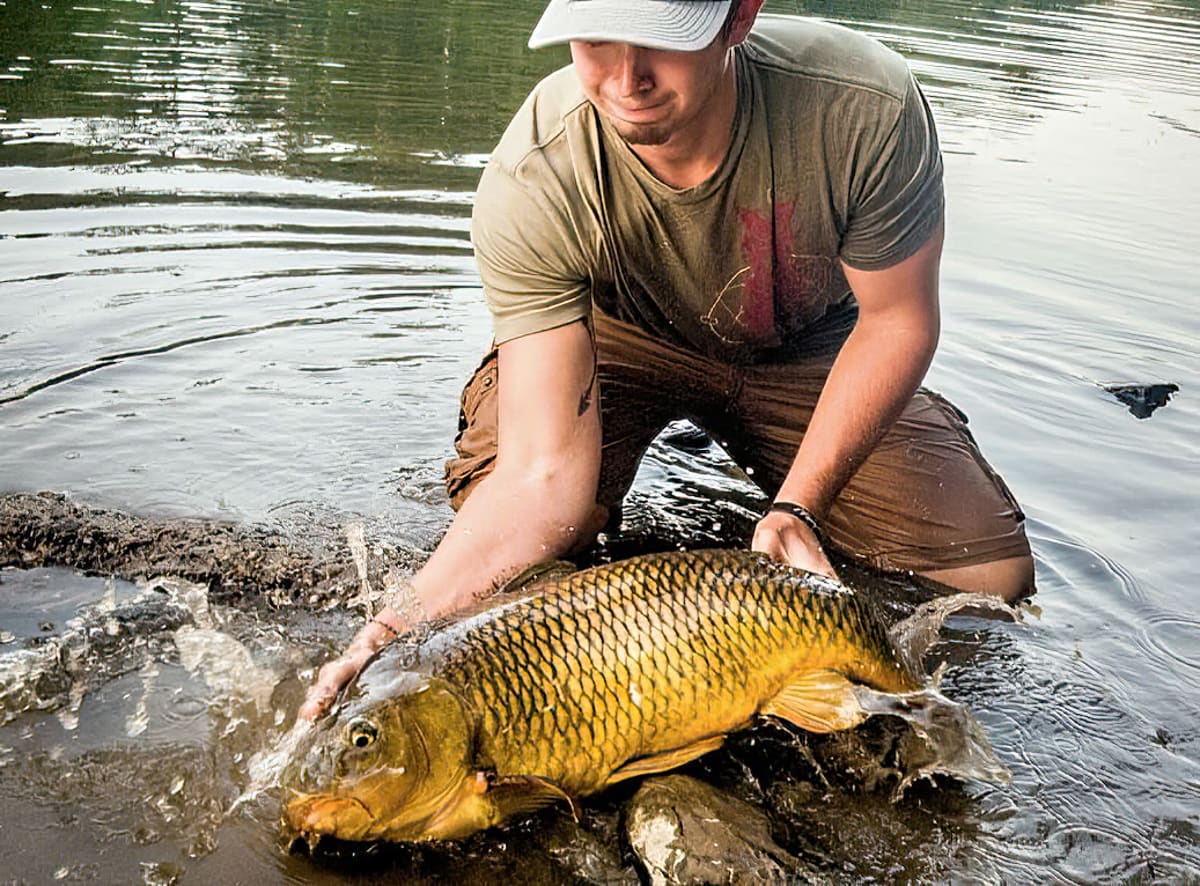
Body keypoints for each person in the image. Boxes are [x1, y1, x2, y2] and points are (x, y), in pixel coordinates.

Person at [299, 0, 1034, 720]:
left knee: (984, 577)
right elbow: (539, 476)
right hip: (619, 341)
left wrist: (795, 506)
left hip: (806, 347)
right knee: (521, 550)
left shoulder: (860, 106)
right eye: (597, 41)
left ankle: (772, 495)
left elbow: (898, 319)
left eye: (659, 39)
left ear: (738, 16)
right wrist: (395, 628)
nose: (626, 78)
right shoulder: (537, 172)